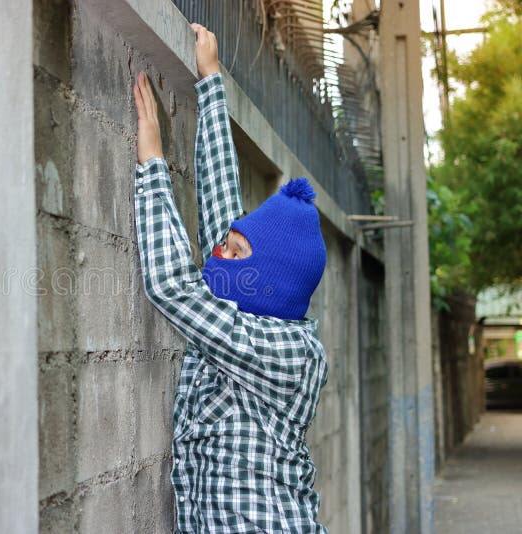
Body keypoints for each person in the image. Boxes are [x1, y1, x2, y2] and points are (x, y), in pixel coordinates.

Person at [132, 22, 329, 533]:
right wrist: (211, 83)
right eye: (228, 244)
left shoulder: (285, 353)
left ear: (268, 281)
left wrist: (153, 166)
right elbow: (222, 219)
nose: (219, 253)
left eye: (236, 253)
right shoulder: (252, 307)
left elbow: (174, 287)